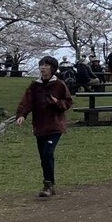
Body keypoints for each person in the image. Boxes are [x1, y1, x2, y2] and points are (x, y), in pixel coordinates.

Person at [15, 56, 73, 199]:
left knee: (47, 153)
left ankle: (48, 184)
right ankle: (50, 184)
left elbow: (68, 102)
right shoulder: (35, 86)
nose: (43, 68)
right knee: (43, 156)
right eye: (41, 65)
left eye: (46, 65)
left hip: (55, 125)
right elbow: (26, 101)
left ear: (53, 68)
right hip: (40, 126)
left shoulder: (59, 85)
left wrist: (57, 103)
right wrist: (21, 114)